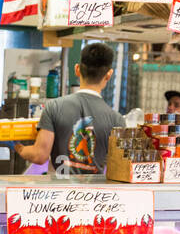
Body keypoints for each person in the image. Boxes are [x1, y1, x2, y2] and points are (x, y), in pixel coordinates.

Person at [16, 42, 123, 174]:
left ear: (77, 69)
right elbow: (119, 167)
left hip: (58, 191)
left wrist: (19, 148)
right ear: (109, 75)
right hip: (96, 194)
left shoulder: (54, 107)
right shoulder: (116, 120)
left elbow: (39, 155)